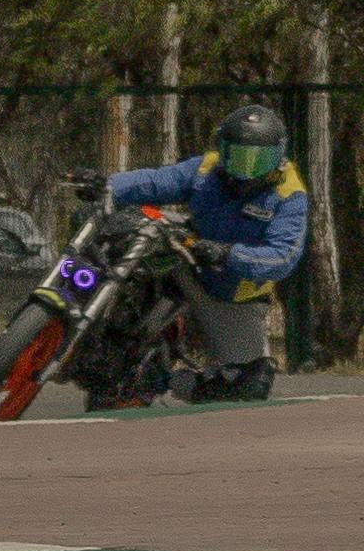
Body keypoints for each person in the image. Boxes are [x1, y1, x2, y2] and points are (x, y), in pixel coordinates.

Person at [101, 96, 310, 401]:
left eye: (257, 160)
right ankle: (92, 312)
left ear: (278, 156)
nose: (245, 171)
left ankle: (170, 381)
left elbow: (283, 256)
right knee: (131, 230)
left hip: (231, 291)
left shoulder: (289, 195)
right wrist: (108, 186)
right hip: (186, 257)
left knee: (250, 384)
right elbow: (157, 181)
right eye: (236, 157)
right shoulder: (206, 168)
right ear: (221, 149)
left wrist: (228, 254)